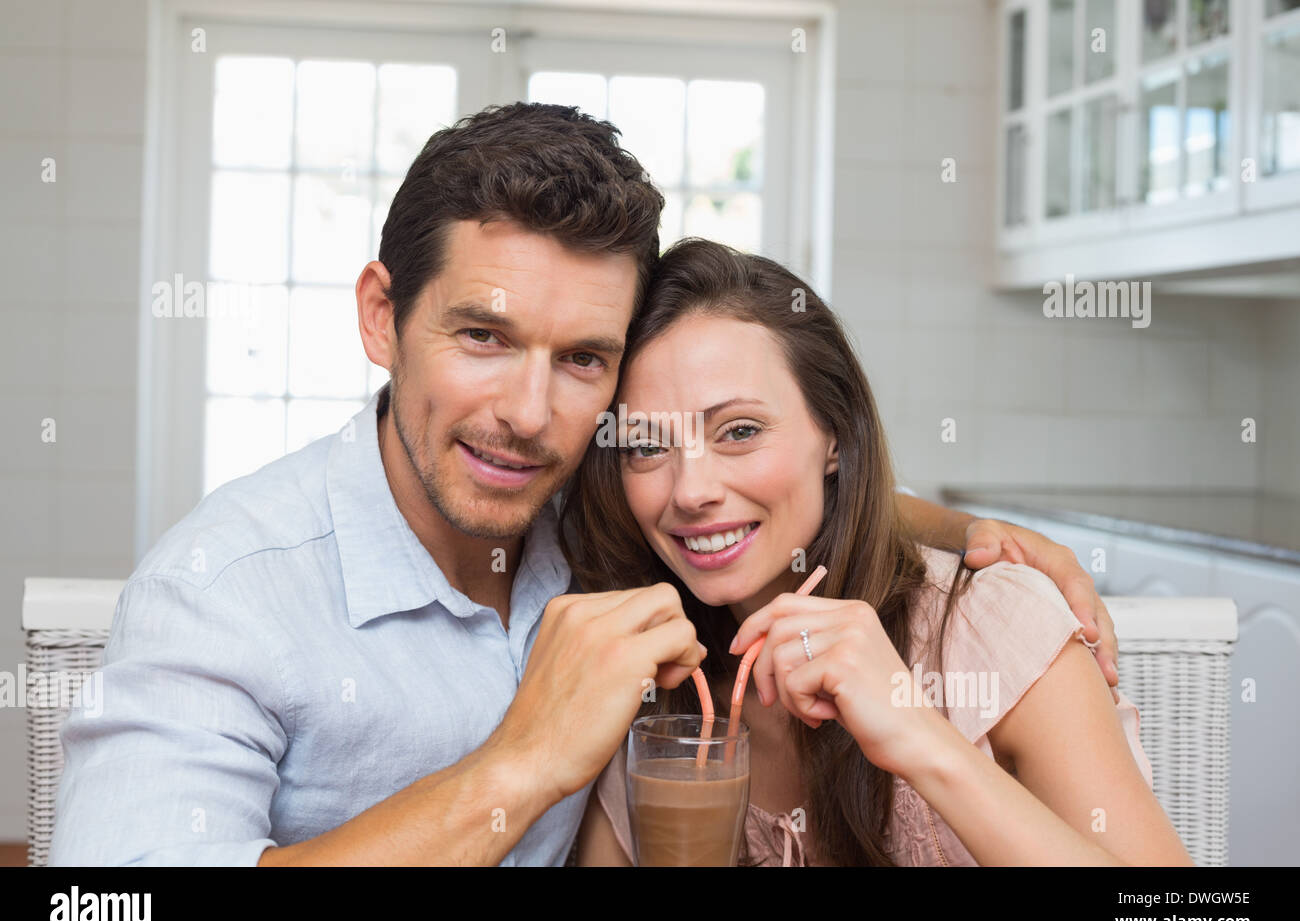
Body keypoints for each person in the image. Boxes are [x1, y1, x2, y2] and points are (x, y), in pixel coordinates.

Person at [50, 103, 1122, 867]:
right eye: (482, 334)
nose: (529, 412)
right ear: (383, 314)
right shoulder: (222, 592)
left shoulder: (588, 505)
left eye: (581, 359)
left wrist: (972, 528)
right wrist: (517, 766)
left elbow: (758, 482)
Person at [566, 239, 1193, 866]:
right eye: (646, 445)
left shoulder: (991, 626)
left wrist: (916, 734)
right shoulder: (650, 683)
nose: (692, 491)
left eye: (740, 431)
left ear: (833, 436)